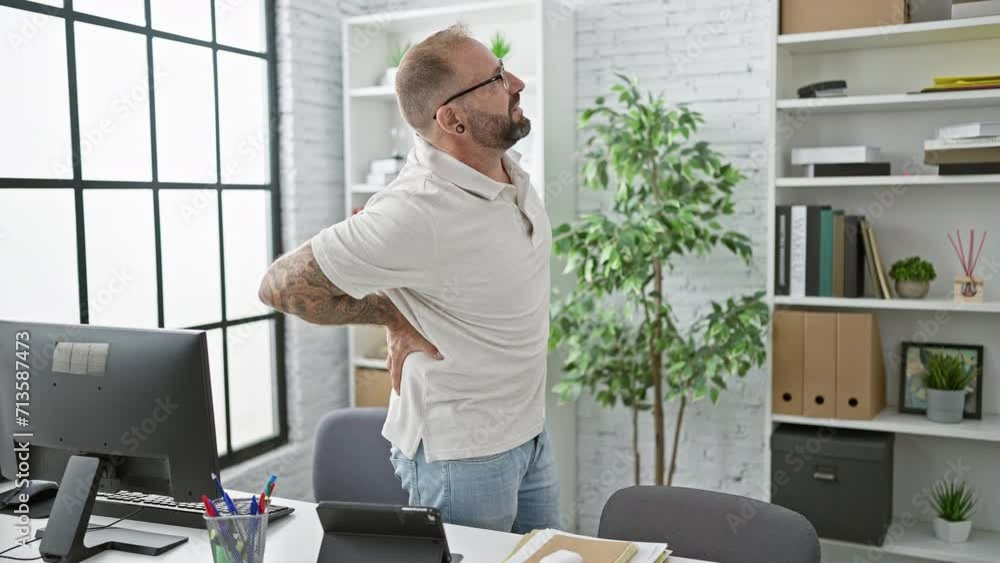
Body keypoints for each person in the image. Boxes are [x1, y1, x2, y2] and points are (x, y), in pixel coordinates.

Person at [257, 24, 559, 533]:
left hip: (529, 431)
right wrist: (389, 314)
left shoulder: (503, 163)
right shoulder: (414, 211)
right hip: (463, 458)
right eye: (497, 79)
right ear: (453, 120)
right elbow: (279, 285)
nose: (517, 84)